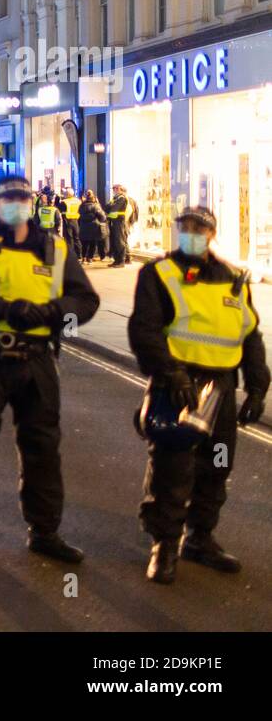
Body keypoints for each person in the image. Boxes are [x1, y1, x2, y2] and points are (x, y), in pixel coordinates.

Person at [0, 176, 100, 561]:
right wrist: (5, 309)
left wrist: (52, 312)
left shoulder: (55, 249)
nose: (15, 204)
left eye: (21, 198)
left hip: (38, 361)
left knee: (43, 449)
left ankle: (44, 532)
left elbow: (85, 300)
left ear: (32, 203)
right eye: (7, 198)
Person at [127, 205, 269, 584]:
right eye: (184, 227)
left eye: (198, 228)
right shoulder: (159, 273)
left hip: (221, 390)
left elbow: (249, 335)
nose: (190, 233)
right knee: (173, 465)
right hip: (178, 387)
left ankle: (201, 537)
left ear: (211, 233)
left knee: (217, 465)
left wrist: (257, 386)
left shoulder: (234, 278)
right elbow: (145, 330)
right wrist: (169, 372)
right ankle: (165, 544)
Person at [78, 190, 107, 263]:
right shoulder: (96, 206)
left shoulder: (81, 206)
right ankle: (89, 258)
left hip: (83, 226)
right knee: (92, 243)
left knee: (84, 243)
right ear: (94, 198)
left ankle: (83, 258)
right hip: (94, 227)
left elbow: (79, 215)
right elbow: (102, 217)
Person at [106, 183, 132, 267]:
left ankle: (121, 261)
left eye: (116, 188)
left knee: (120, 241)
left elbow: (113, 208)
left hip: (119, 221)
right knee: (114, 241)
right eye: (113, 188)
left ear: (120, 189)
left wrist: (110, 206)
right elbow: (106, 207)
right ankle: (116, 260)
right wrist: (110, 206)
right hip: (113, 221)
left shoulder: (122, 198)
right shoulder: (114, 198)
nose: (114, 190)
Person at [57, 186, 82, 263]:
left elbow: (58, 209)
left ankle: (71, 256)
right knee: (77, 238)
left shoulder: (64, 202)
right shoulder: (78, 201)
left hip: (67, 221)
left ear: (67, 194)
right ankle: (79, 255)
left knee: (69, 239)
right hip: (76, 221)